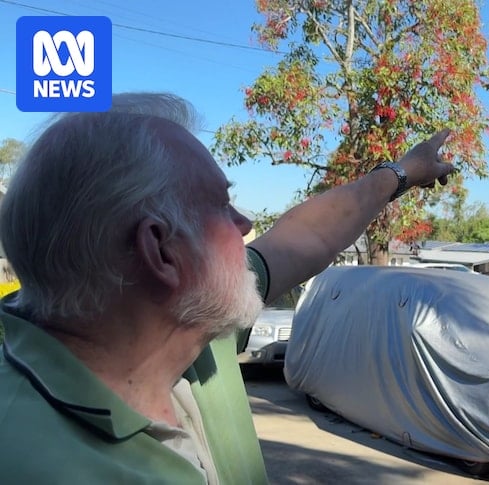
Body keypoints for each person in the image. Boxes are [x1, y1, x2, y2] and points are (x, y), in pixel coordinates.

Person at [0, 92, 453, 484]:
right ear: (160, 250)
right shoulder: (24, 456)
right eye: (221, 205)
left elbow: (307, 237)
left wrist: (403, 172)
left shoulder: (192, 326)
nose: (246, 224)